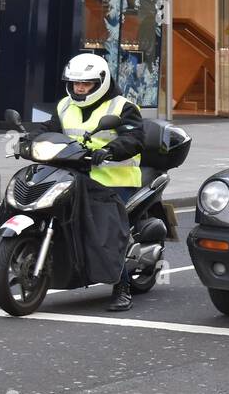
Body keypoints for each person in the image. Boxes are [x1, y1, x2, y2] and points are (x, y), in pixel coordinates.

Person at [29, 54, 145, 311]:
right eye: (75, 83)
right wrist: (29, 138)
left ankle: (122, 286)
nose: (79, 88)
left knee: (108, 228)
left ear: (101, 82)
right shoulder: (64, 107)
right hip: (74, 174)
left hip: (114, 180)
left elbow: (134, 139)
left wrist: (112, 150)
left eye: (86, 84)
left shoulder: (122, 107)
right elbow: (49, 128)